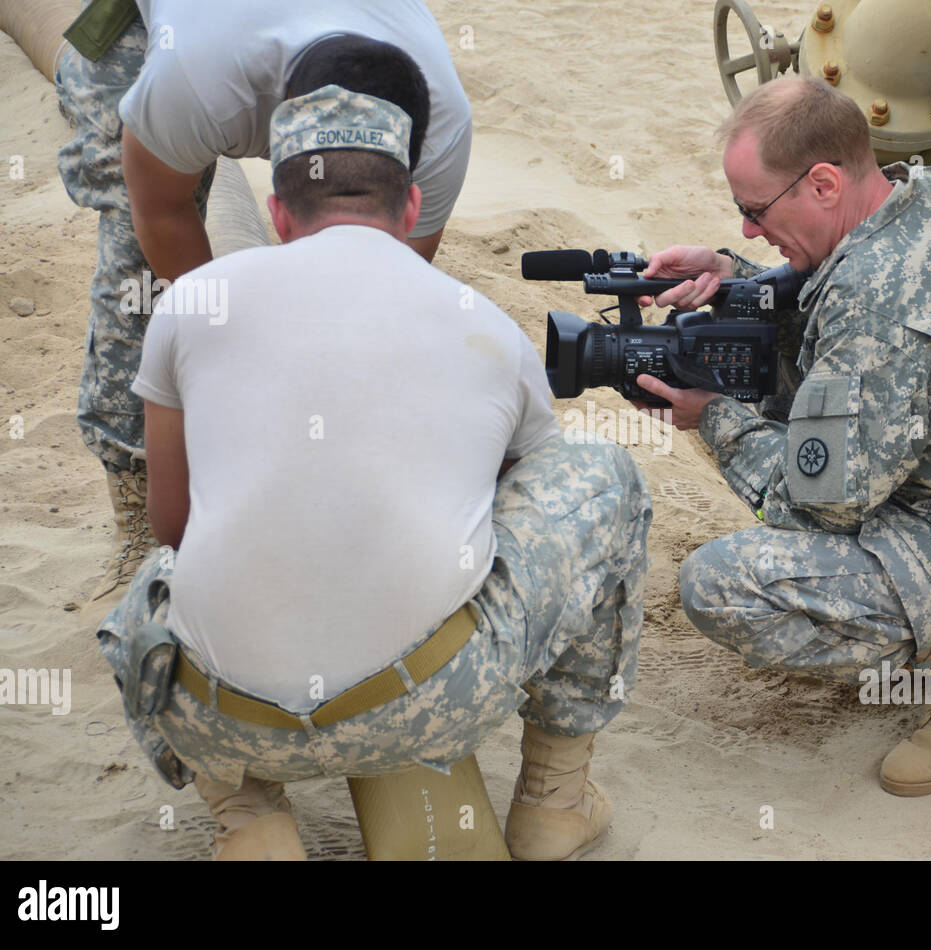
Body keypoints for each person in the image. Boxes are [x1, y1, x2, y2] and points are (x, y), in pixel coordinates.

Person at [95, 83, 652, 860]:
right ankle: (553, 804)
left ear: (281, 215)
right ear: (413, 204)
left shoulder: (191, 301)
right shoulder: (484, 325)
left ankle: (247, 817)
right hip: (428, 706)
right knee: (601, 473)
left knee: (149, 583)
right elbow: (509, 502)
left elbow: (172, 524)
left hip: (220, 713)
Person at [630, 76, 931, 797]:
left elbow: (815, 506)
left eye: (754, 212)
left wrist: (717, 417)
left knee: (724, 585)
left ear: (824, 183)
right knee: (795, 394)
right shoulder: (926, 196)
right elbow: (839, 310)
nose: (747, 231)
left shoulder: (877, 298)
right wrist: (738, 285)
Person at [56, 0, 474, 601]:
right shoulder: (192, 83)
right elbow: (160, 208)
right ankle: (134, 502)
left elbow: (385, 288)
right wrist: (226, 329)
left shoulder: (440, 131)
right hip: (180, 28)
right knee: (138, 280)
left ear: (404, 190)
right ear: (277, 209)